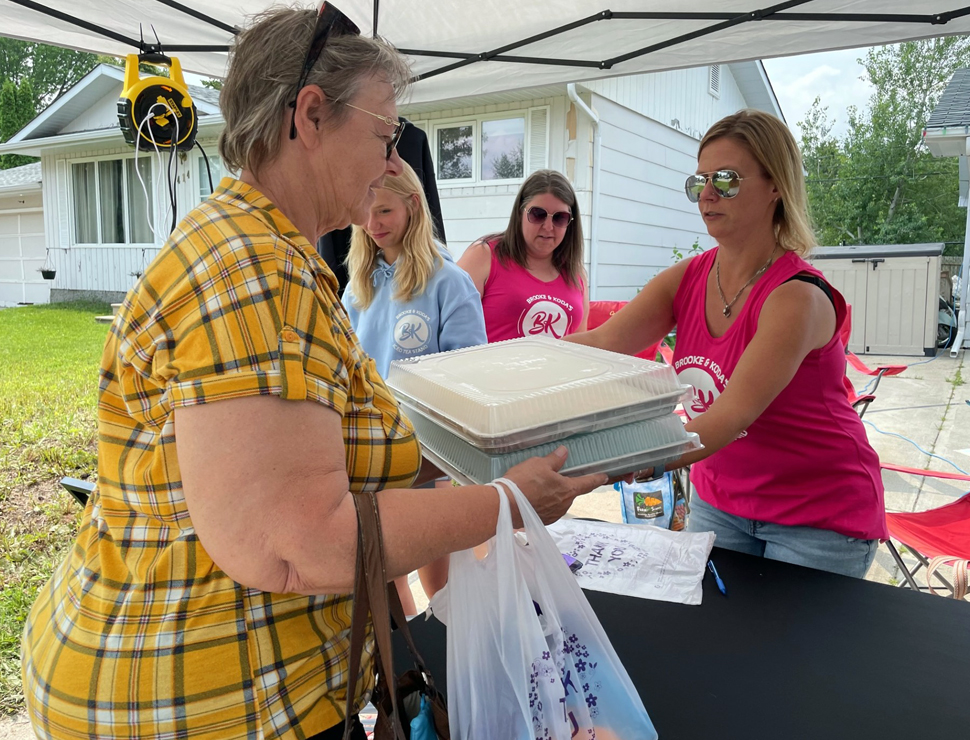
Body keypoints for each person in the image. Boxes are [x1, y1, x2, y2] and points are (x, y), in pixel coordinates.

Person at [19, 6, 606, 740]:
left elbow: (320, 461)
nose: (392, 163)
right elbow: (301, 545)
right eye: (386, 135)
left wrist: (490, 458)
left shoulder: (262, 249)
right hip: (199, 699)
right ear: (311, 115)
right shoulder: (254, 268)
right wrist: (507, 502)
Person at [568, 109, 887, 579]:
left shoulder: (797, 296)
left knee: (781, 633)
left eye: (726, 180)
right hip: (722, 501)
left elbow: (732, 414)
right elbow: (602, 342)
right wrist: (512, 363)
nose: (708, 194)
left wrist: (622, 461)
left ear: (776, 185)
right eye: (699, 182)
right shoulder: (687, 278)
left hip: (818, 514)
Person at [343, 161, 486, 612]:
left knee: (438, 579)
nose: (373, 224)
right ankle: (408, 651)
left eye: (385, 211)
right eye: (367, 212)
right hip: (369, 451)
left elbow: (469, 372)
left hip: (425, 452)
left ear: (414, 205)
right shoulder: (357, 286)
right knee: (385, 577)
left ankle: (448, 645)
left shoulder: (450, 282)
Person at [458, 169, 589, 342]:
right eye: (538, 214)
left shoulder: (576, 273)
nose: (548, 226)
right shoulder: (483, 256)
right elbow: (451, 326)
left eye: (560, 218)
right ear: (520, 213)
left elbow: (580, 345)